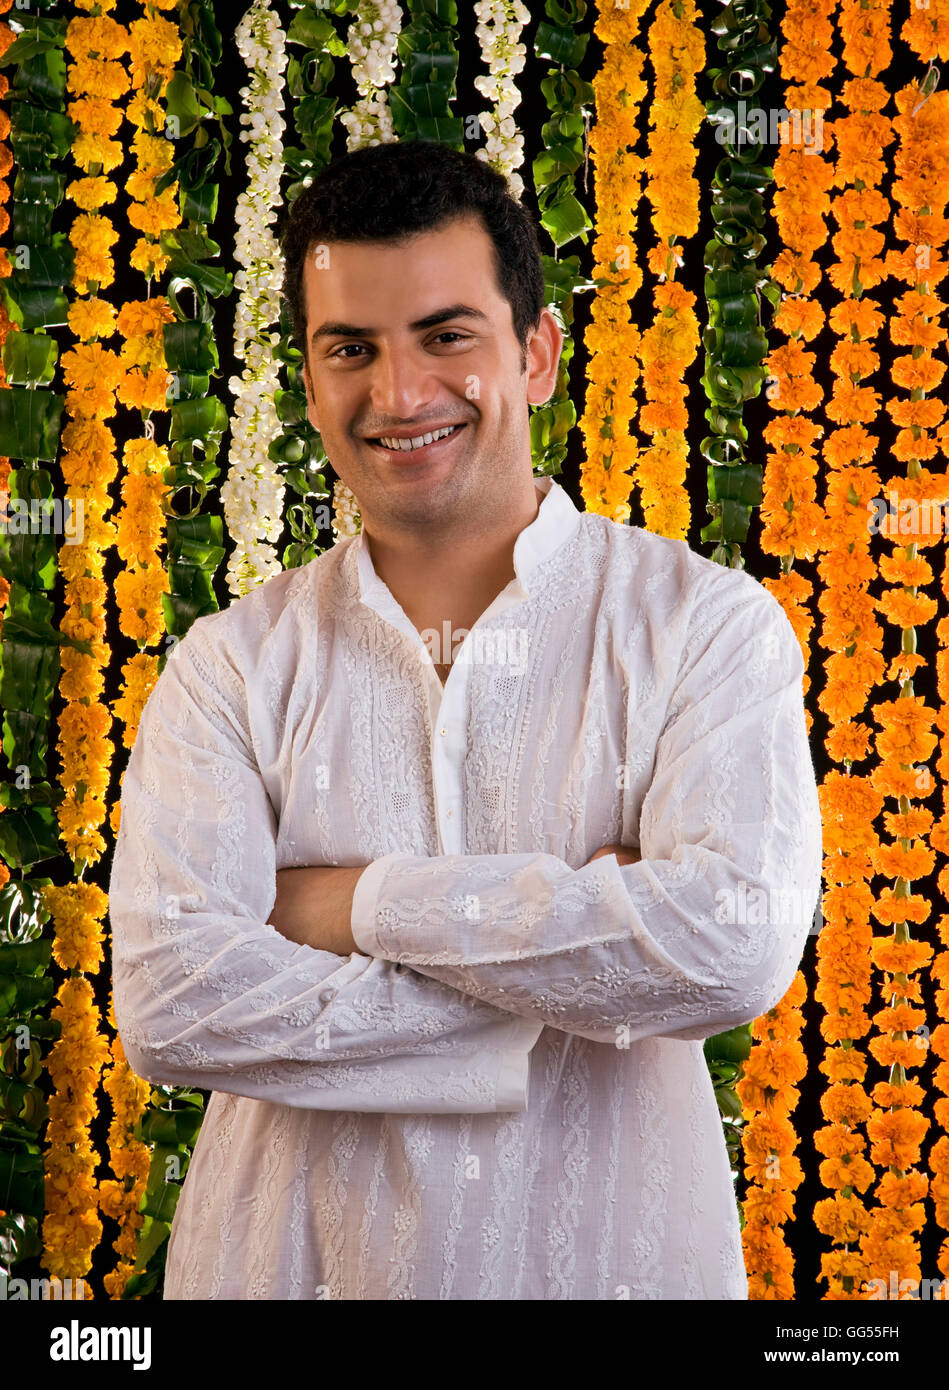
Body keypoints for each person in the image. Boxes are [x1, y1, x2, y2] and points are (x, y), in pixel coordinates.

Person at [109, 139, 823, 1301]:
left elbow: (726, 942)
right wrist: (562, 986)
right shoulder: (230, 666)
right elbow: (175, 1002)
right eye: (352, 349)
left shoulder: (703, 627)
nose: (398, 395)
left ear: (536, 353)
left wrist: (350, 903)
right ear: (306, 380)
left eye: (446, 335)